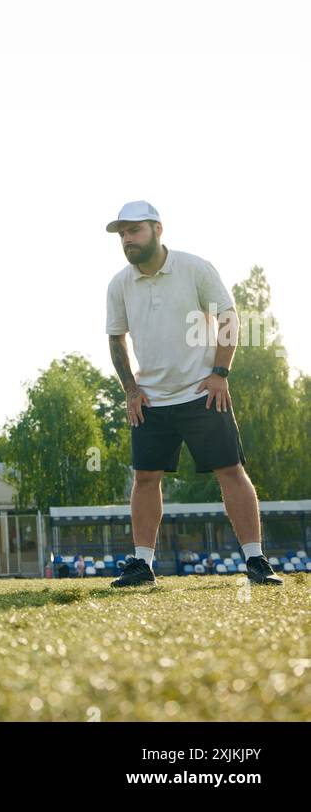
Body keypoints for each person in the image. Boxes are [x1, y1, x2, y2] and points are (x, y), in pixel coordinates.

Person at [105, 201, 281, 589]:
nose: (127, 239)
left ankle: (256, 560)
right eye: (122, 234)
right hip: (150, 399)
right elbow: (116, 338)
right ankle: (142, 566)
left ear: (157, 229)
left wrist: (220, 373)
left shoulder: (194, 268)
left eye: (134, 231)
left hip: (203, 394)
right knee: (145, 478)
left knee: (231, 471)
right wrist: (131, 390)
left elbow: (229, 318)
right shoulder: (119, 283)